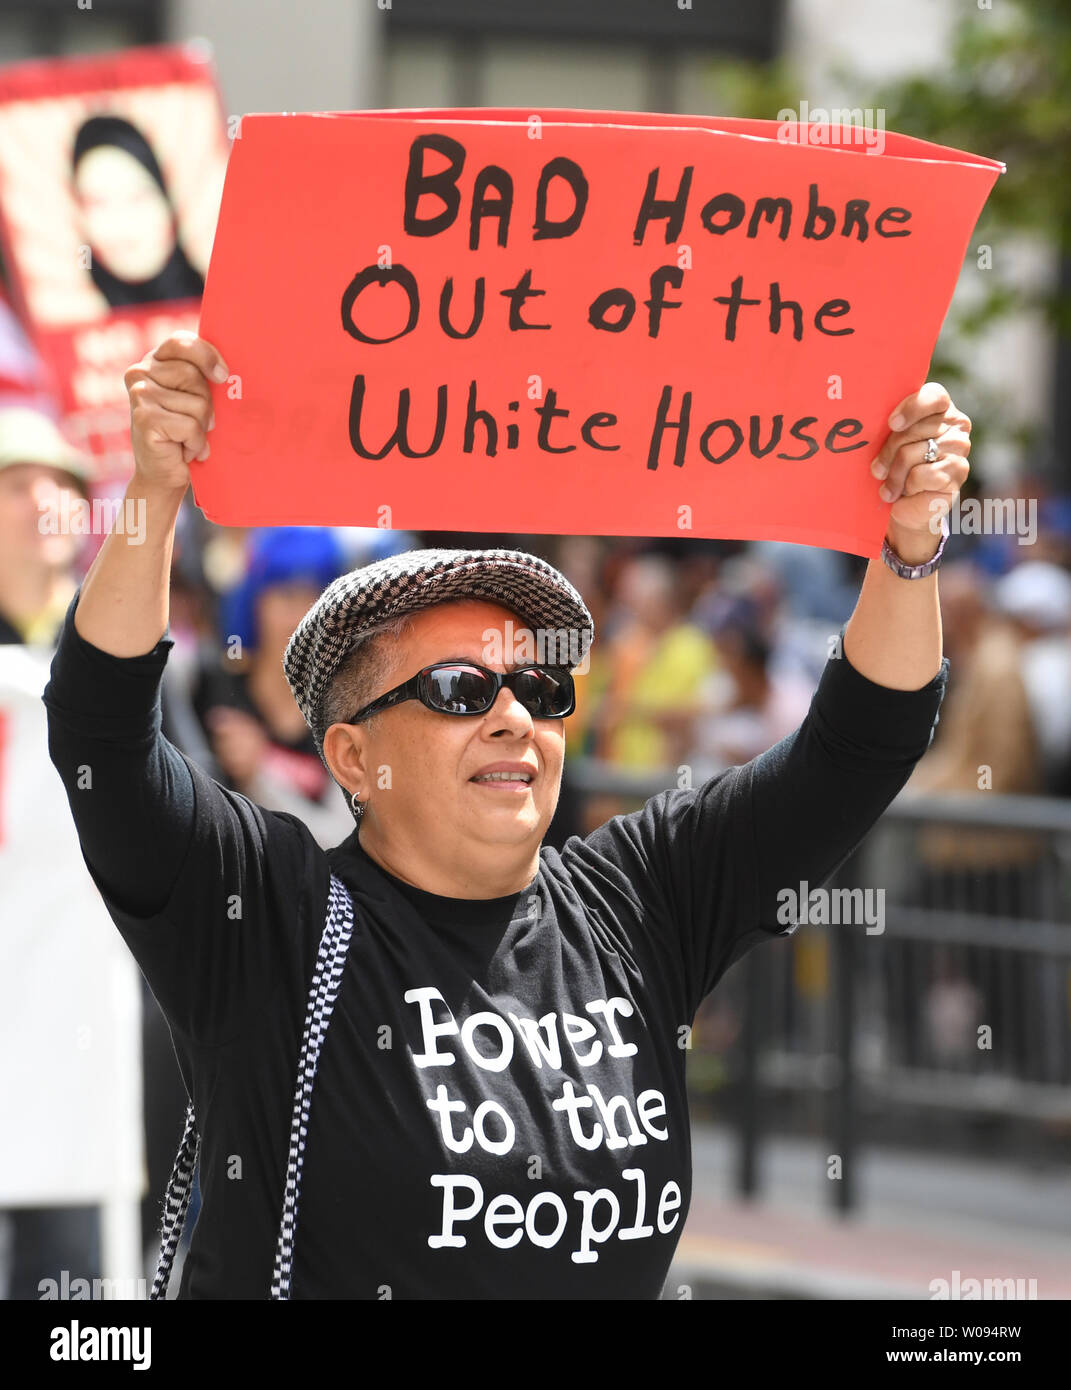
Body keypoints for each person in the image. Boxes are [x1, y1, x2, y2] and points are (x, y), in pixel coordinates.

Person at [44, 331, 968, 1300]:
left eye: (538, 683)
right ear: (354, 756)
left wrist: (909, 547)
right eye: (457, 687)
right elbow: (102, 736)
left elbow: (861, 746)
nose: (513, 715)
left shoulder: (640, 900)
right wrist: (151, 490)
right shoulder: (269, 914)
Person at [72, 114, 204, 311]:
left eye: (137, 198)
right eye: (98, 203)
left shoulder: (222, 306)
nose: (121, 222)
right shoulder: (75, 316)